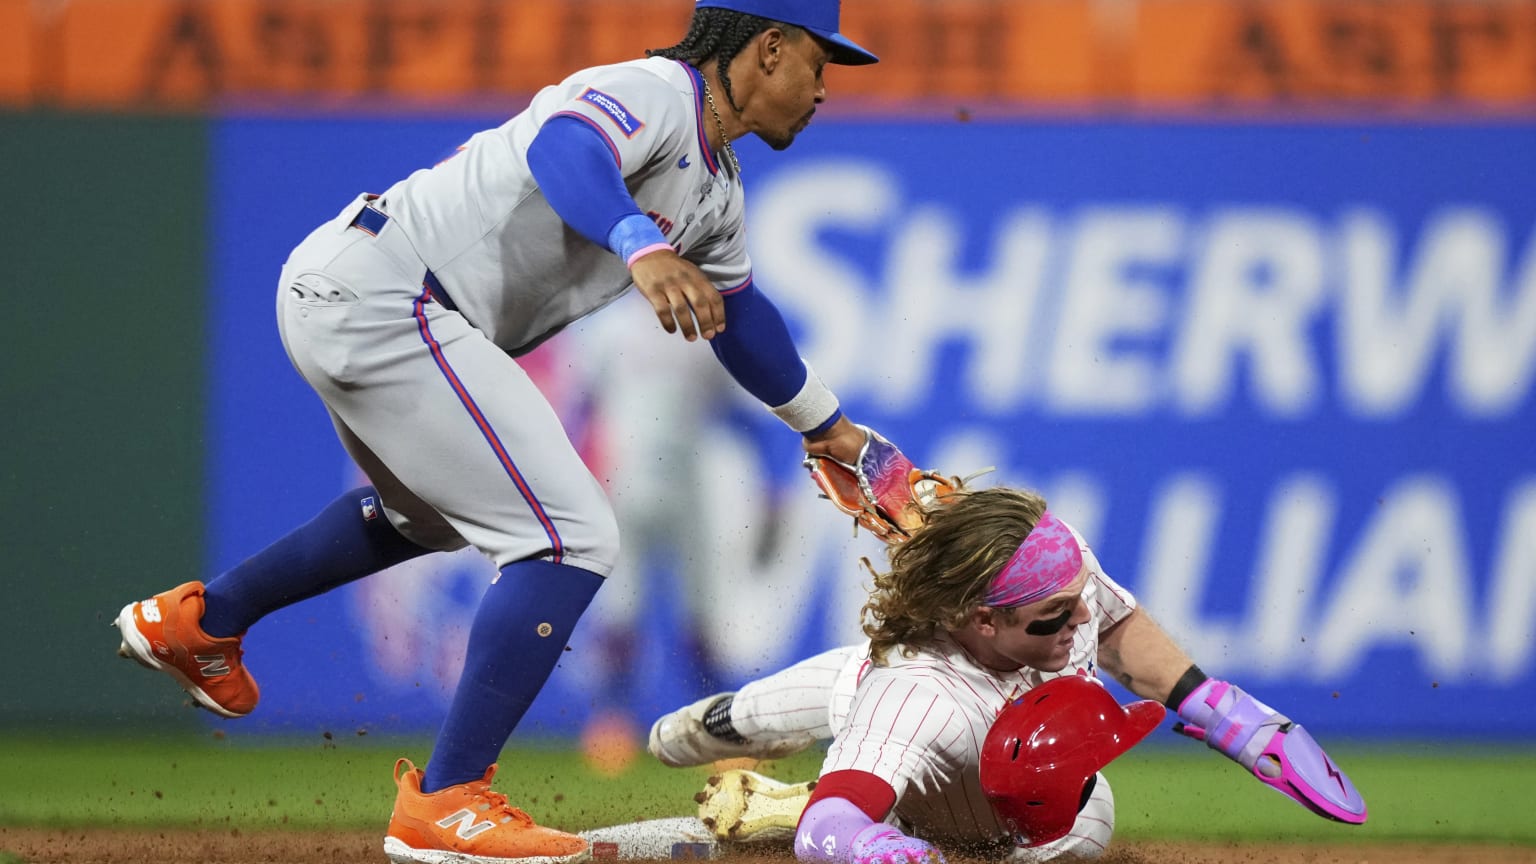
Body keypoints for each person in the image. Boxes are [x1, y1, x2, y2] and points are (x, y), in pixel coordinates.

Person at [113, 3, 887, 864]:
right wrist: (637, 240)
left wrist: (835, 434)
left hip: (371, 297)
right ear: (769, 47)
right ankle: (447, 800)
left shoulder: (717, 190)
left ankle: (205, 620)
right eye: (820, 64)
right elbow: (567, 147)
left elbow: (741, 316)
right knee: (573, 537)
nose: (823, 91)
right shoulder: (655, 90)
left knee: (427, 519)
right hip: (389, 293)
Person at [646, 486, 1368, 863]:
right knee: (702, 732)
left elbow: (1116, 624)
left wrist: (1220, 711)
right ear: (979, 619)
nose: (1079, 620)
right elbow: (832, 828)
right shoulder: (913, 695)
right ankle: (738, 755)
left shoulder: (1052, 572)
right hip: (873, 710)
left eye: (1077, 600)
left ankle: (814, 806)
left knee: (1082, 832)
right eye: (1055, 617)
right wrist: (867, 844)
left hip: (984, 811)